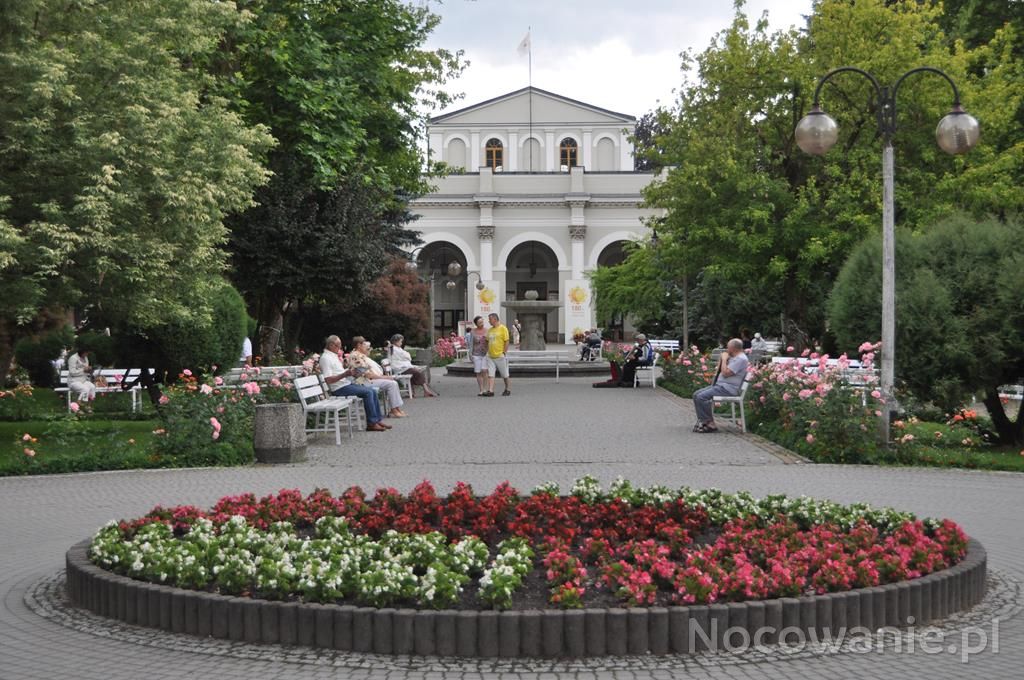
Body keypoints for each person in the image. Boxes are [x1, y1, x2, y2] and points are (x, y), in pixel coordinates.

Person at [319, 335, 391, 432]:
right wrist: (345, 374)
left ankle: (377, 420)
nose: (340, 347)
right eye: (338, 345)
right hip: (338, 388)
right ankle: (371, 423)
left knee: (372, 391)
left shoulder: (332, 356)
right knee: (368, 392)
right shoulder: (326, 358)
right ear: (331, 345)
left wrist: (351, 372)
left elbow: (339, 373)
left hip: (345, 384)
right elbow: (328, 380)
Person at [692, 338, 749, 433]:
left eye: (728, 348)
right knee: (696, 394)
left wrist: (724, 359)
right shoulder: (734, 357)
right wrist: (722, 360)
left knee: (701, 397)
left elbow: (726, 373)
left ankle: (709, 423)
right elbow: (719, 371)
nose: (727, 350)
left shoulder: (741, 359)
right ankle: (704, 420)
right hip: (721, 386)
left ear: (733, 348)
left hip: (728, 388)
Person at [347, 337, 408, 417]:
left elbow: (370, 372)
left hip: (368, 379)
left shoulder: (360, 355)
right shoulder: (355, 356)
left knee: (392, 383)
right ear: (359, 345)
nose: (367, 347)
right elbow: (367, 374)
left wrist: (384, 377)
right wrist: (385, 377)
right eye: (365, 344)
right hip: (362, 381)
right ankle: (394, 410)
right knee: (392, 384)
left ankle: (396, 409)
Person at [484, 312, 511, 396]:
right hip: (490, 356)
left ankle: (507, 388)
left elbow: (506, 341)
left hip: (500, 355)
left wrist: (504, 352)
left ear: (495, 319)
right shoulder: (490, 330)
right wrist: (486, 351)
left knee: (504, 374)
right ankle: (490, 390)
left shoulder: (503, 328)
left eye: (490, 319)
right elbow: (486, 340)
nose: (489, 321)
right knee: (491, 374)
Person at [468, 316, 490, 396]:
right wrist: (470, 354)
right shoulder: (473, 332)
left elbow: (489, 342)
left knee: (484, 371)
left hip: (485, 353)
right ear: (476, 324)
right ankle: (481, 389)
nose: (482, 324)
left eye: (482, 322)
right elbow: (471, 344)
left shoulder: (487, 331)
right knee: (478, 372)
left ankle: (485, 389)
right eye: (480, 322)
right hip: (476, 354)